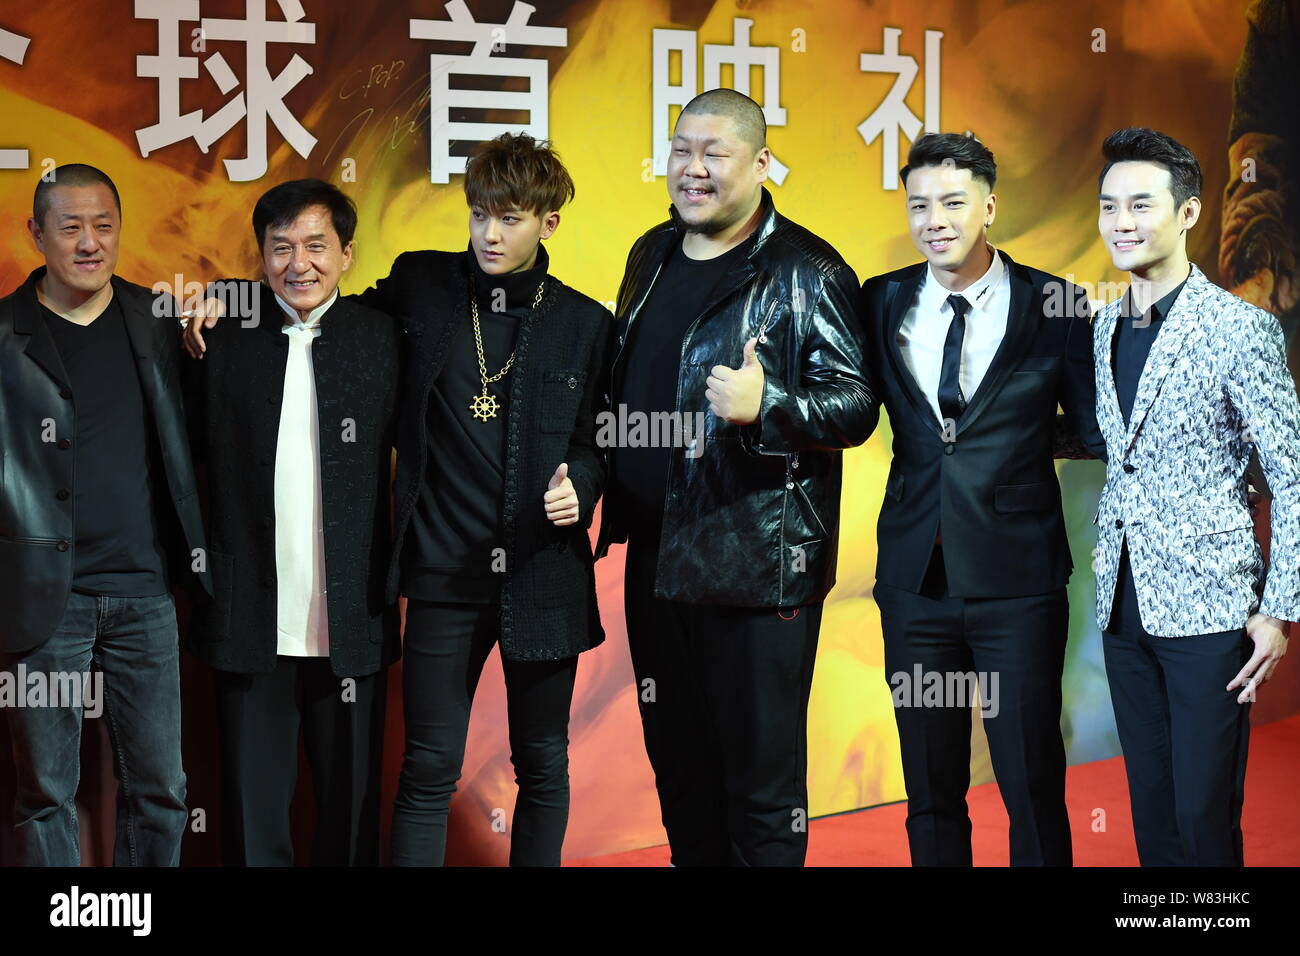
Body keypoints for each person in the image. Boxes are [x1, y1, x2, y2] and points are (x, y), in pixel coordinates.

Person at [186, 134, 609, 866]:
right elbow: (314, 309)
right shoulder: (423, 288)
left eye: (509, 217)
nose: (490, 232)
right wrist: (221, 297)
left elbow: (598, 434)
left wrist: (585, 479)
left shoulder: (584, 323)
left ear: (549, 222)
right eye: (479, 214)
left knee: (543, 764)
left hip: (544, 575)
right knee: (425, 769)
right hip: (440, 576)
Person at [596, 88, 875, 866]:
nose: (693, 169)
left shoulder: (807, 271)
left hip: (758, 566)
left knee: (759, 790)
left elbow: (856, 406)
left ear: (759, 164)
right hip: (658, 558)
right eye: (682, 151)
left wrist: (771, 404)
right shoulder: (649, 252)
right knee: (682, 773)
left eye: (713, 154)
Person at [859, 132, 1104, 866]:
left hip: (1018, 584)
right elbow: (846, 406)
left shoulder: (1055, 302)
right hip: (915, 583)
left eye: (953, 202)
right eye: (920, 205)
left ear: (989, 207)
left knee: (1031, 780)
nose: (934, 218)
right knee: (930, 788)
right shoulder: (881, 300)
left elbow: (1092, 428)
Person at [1092, 127, 1297, 866]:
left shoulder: (1240, 328)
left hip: (1212, 611)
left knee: (1203, 815)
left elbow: (1293, 473)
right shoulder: (1102, 327)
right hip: (1122, 602)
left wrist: (1278, 610)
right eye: (1110, 206)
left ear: (1187, 213)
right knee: (1152, 811)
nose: (1122, 222)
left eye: (1140, 205)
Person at [181, 179, 400, 866]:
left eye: (315, 246)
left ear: (348, 252)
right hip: (251, 616)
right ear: (261, 256)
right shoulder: (218, 338)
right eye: (280, 249)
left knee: (351, 814)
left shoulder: (382, 336)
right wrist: (218, 301)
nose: (298, 265)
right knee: (252, 821)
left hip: (352, 618)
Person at [0, 164, 210, 866]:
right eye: (70, 228)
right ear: (37, 234)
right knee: (45, 793)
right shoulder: (4, 335)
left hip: (144, 594)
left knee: (160, 788)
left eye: (103, 226)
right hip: (40, 600)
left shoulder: (156, 319)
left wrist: (224, 304)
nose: (89, 243)